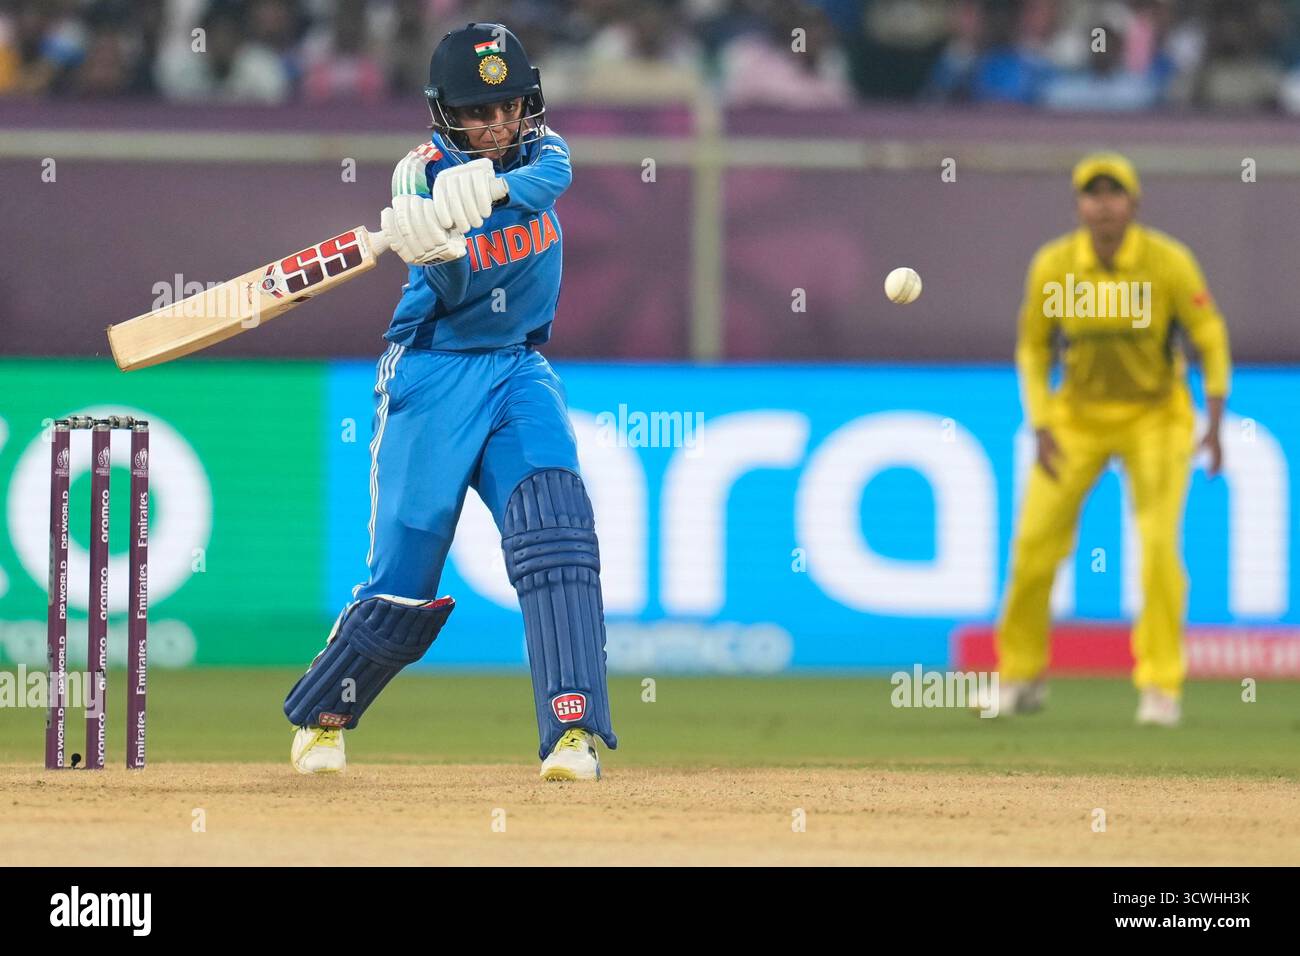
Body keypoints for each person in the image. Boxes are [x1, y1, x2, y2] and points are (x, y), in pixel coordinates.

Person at [283, 22, 617, 780]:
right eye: (477, 111)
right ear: (445, 114)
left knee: (557, 531)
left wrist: (493, 186)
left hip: (518, 368)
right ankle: (326, 716)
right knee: (406, 577)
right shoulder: (416, 179)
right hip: (432, 374)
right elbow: (459, 290)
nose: (496, 123)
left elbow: (548, 183)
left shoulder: (542, 153)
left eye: (508, 106)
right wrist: (436, 246)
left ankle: (572, 733)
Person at [991, 152, 1231, 727]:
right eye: (1092, 194)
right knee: (1032, 549)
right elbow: (1033, 346)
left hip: (1156, 417)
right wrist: (1042, 421)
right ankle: (1020, 677)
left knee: (1157, 551)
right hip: (1077, 419)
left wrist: (1216, 417)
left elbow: (1209, 335)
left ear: (1134, 202)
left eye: (1114, 193)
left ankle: (1160, 687)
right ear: (1078, 205)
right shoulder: (1054, 265)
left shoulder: (1167, 261)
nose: (1103, 204)